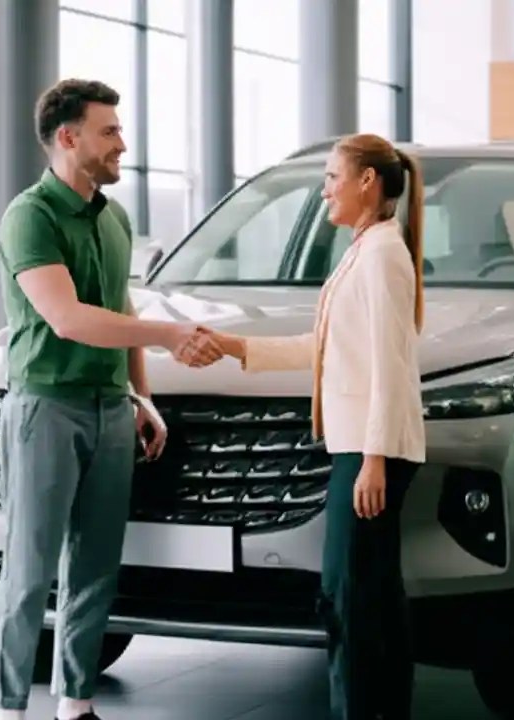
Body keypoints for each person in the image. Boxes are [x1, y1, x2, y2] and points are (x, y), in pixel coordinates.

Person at [0, 78, 222, 720]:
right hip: (46, 407)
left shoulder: (114, 217)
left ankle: (76, 704)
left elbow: (119, 304)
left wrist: (141, 396)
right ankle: (8, 709)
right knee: (31, 571)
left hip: (109, 407)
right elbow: (69, 319)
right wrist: (173, 335)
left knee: (95, 567)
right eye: (109, 131)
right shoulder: (29, 217)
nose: (123, 142)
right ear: (69, 138)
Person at [210, 133, 426, 720]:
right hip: (362, 447)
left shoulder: (381, 255)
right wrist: (236, 347)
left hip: (368, 450)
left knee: (348, 598)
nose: (324, 189)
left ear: (367, 183)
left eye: (333, 177)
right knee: (370, 595)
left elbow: (390, 361)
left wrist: (375, 457)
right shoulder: (367, 248)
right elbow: (328, 347)